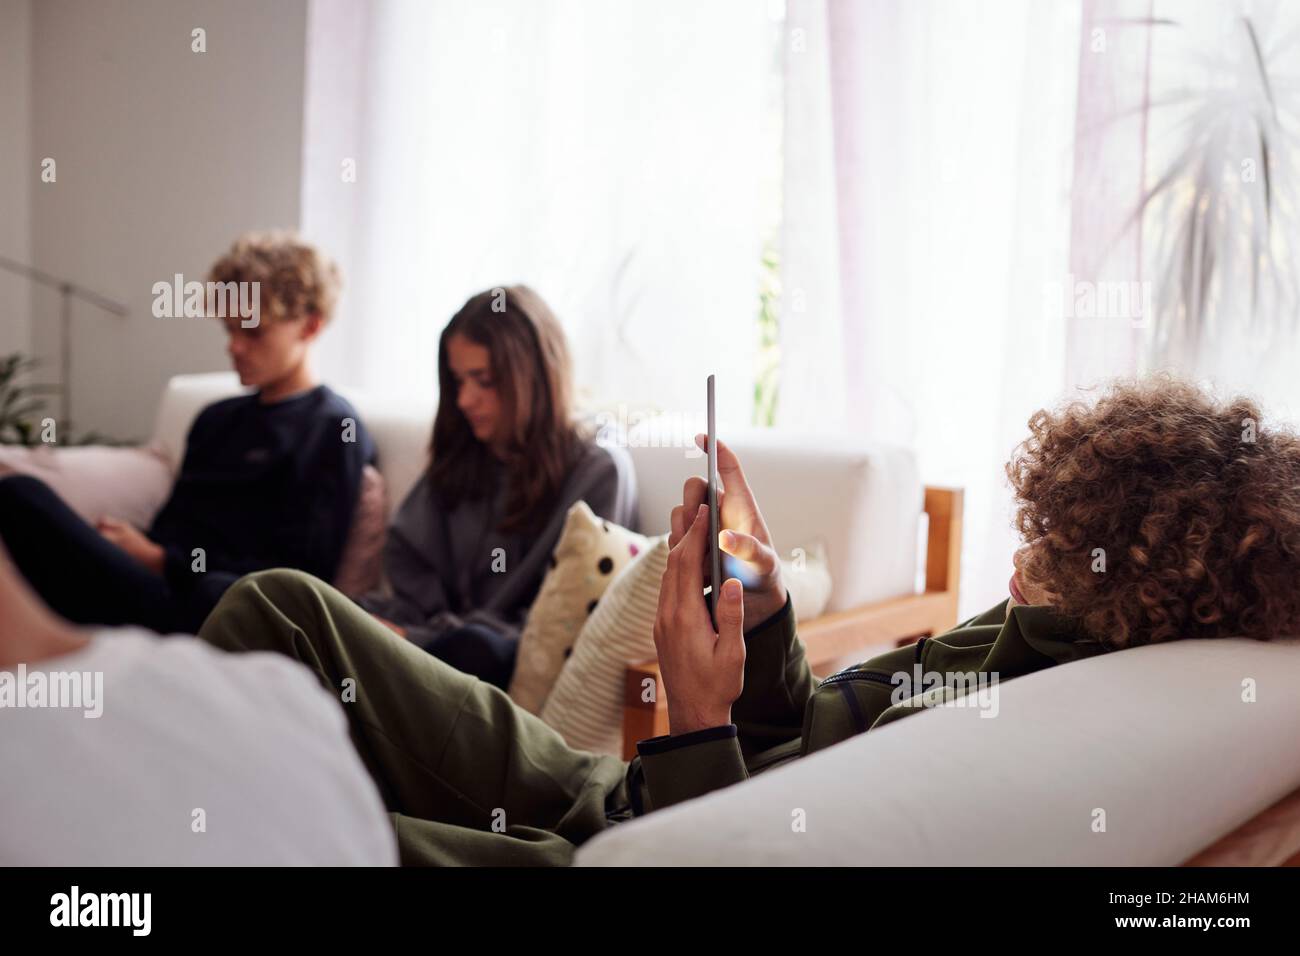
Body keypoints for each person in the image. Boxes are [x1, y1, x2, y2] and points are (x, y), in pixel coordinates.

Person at [197, 376, 1300, 865]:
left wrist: (691, 710)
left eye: (1056, 548)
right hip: (603, 789)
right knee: (281, 604)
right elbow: (813, 728)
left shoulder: (1052, 704)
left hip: (622, 833)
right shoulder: (1034, 635)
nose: (1020, 560)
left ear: (1146, 582)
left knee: (270, 831)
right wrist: (766, 613)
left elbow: (749, 836)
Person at [0, 231, 375, 635]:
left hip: (208, 606)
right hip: (150, 585)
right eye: (228, 330)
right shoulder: (216, 418)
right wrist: (125, 545)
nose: (234, 347)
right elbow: (175, 526)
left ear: (310, 326)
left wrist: (163, 560)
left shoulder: (334, 429)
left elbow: (297, 581)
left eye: (252, 332)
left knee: (20, 495)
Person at [0, 538, 396, 865]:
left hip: (194, 587)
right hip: (193, 597)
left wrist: (161, 557)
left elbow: (304, 556)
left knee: (275, 595)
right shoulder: (282, 702)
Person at [356, 285, 637, 688]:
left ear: (534, 378)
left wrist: (417, 640)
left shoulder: (598, 470)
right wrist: (403, 629)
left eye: (483, 380)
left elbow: (569, 619)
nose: (465, 400)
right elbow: (409, 564)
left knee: (478, 647)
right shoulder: (466, 455)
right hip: (433, 638)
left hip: (501, 652)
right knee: (322, 609)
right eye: (457, 382)